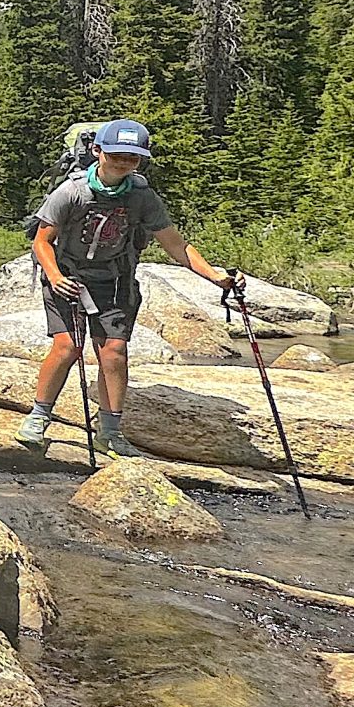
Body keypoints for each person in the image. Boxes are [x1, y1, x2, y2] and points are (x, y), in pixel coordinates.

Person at [16, 117, 238, 457]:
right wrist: (56, 276)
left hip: (115, 280)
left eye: (131, 157)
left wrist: (215, 276)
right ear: (97, 151)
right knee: (68, 347)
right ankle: (38, 417)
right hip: (67, 278)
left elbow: (175, 244)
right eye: (116, 154)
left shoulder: (142, 197)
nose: (123, 162)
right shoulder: (72, 191)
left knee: (114, 352)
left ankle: (110, 432)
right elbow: (42, 241)